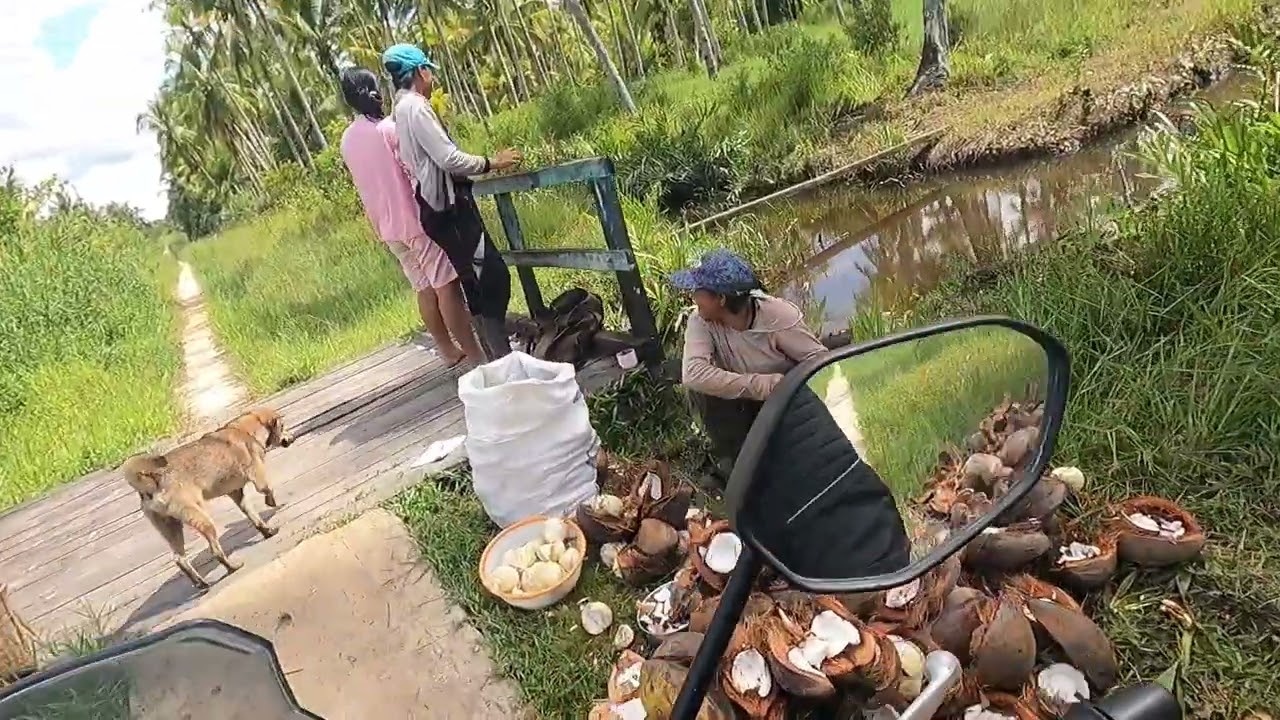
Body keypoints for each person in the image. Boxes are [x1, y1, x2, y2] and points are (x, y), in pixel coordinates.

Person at [380, 43, 523, 360]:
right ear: (421, 71)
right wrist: (492, 163)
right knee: (492, 276)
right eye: (429, 72)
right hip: (447, 208)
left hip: (435, 208)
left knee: (473, 278)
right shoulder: (415, 107)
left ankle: (494, 354)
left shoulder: (400, 108)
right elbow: (448, 158)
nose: (432, 80)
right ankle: (499, 352)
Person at [337, 67, 484, 366]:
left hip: (387, 227)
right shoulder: (389, 129)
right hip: (415, 218)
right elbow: (413, 170)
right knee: (447, 285)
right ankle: (474, 353)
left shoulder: (347, 140)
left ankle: (446, 350)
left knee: (423, 286)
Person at [671, 248, 829, 478]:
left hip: (789, 399)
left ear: (721, 299)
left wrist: (788, 388)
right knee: (701, 393)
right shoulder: (700, 320)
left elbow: (820, 363)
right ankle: (736, 463)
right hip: (742, 400)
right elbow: (693, 373)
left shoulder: (778, 316)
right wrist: (763, 385)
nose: (693, 297)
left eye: (698, 291)